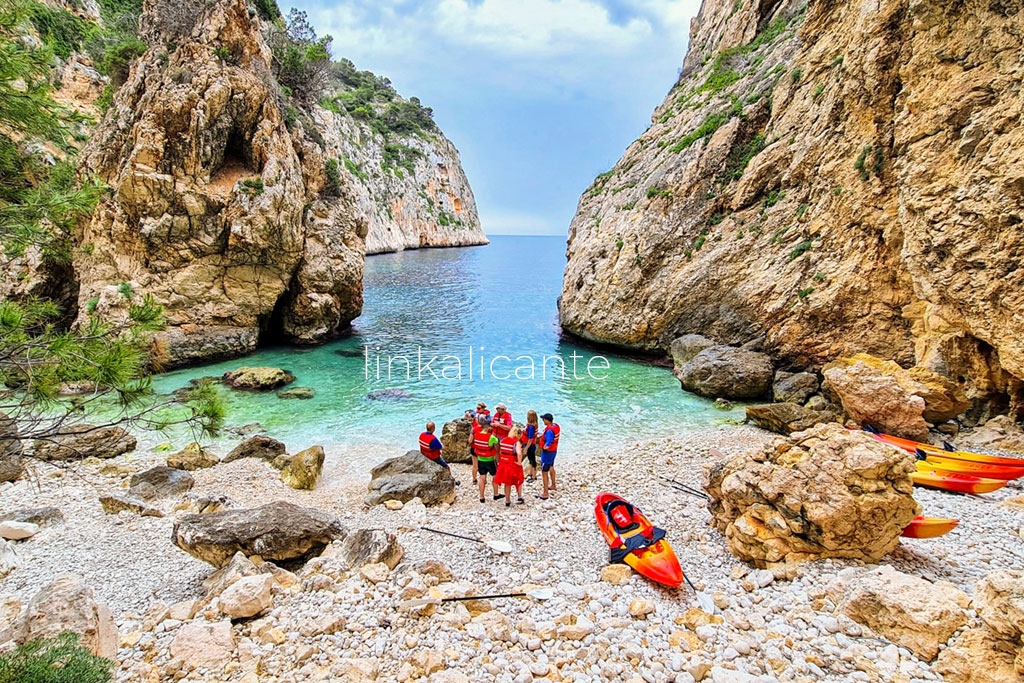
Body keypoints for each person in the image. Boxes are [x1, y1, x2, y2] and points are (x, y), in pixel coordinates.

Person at [495, 425, 525, 506]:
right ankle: (519, 497)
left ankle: (507, 501)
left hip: (503, 464)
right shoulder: (516, 442)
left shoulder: (503, 440)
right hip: (512, 464)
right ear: (518, 435)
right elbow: (519, 453)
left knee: (507, 483)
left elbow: (500, 451)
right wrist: (519, 462)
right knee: (518, 480)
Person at [472, 419, 500, 503]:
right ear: (488, 428)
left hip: (480, 459)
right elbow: (497, 448)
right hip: (490, 460)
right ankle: (495, 494)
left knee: (482, 477)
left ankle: (482, 497)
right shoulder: (491, 437)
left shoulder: (476, 435)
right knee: (494, 476)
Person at [538, 413, 560, 500]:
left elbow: (549, 441)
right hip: (553, 451)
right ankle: (553, 485)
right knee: (551, 466)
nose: (543, 421)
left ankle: (545, 493)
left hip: (547, 453)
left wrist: (545, 446)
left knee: (544, 471)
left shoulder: (550, 431)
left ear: (547, 420)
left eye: (543, 419)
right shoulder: (555, 426)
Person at [468, 414, 488, 486]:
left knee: (475, 465)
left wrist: (470, 443)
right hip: (483, 448)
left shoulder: (474, 429)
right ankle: (484, 479)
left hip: (475, 448)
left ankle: (474, 479)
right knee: (483, 465)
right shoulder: (487, 429)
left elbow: (470, 440)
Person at [520, 410, 540, 482]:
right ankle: (531, 473)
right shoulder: (534, 425)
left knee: (532, 460)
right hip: (531, 445)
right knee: (530, 460)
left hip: (530, 445)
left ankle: (534, 476)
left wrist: (526, 448)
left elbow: (530, 438)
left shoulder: (531, 427)